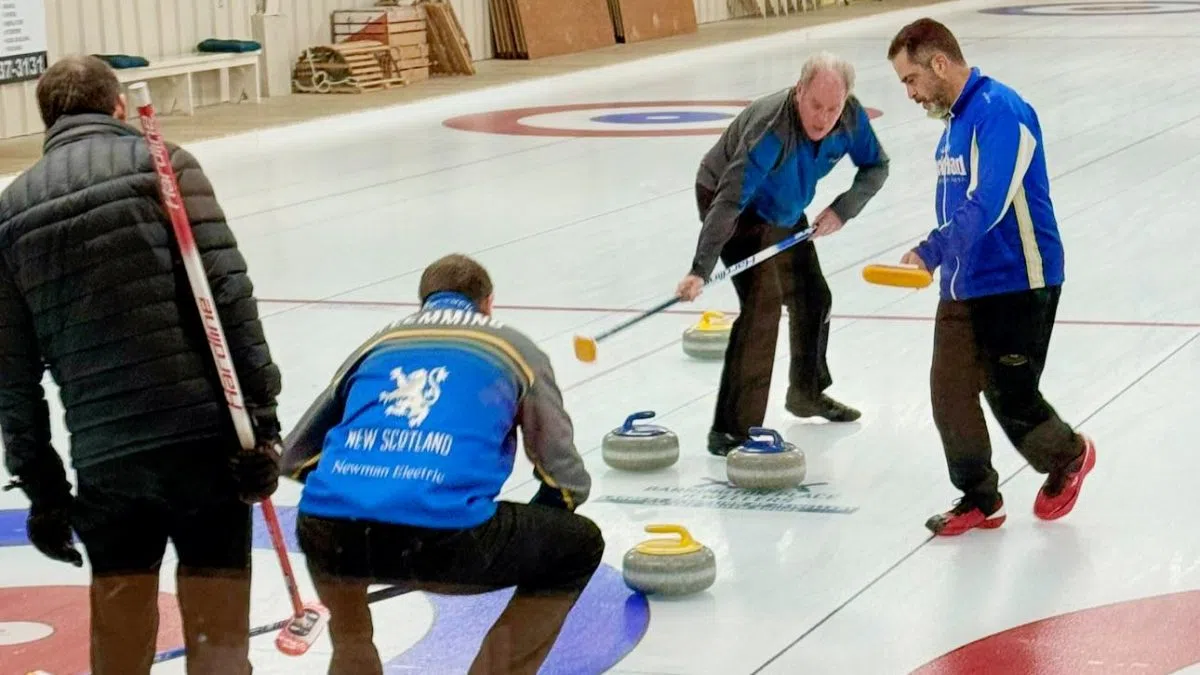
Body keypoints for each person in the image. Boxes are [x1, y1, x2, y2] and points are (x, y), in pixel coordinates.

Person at [0, 55, 283, 673]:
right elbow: (228, 296)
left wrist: (44, 490)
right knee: (218, 632)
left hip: (108, 460)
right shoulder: (165, 166)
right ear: (119, 107)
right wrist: (263, 426)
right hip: (204, 446)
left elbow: (12, 376)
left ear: (46, 118)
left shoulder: (11, 211)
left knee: (120, 635)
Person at [281, 253, 604, 675]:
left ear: (423, 302)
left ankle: (352, 651)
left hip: (328, 531)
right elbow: (565, 477)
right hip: (445, 538)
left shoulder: (378, 344)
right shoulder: (516, 349)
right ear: (488, 303)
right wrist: (546, 515)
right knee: (578, 546)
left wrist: (369, 491)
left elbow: (294, 455)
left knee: (351, 629)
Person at [886, 18, 1096, 536]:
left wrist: (932, 250)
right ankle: (980, 497)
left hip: (1019, 280)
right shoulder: (953, 123)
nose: (910, 93)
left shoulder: (1001, 110)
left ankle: (1068, 456)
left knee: (1010, 395)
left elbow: (990, 202)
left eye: (911, 79)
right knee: (949, 393)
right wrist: (944, 263)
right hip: (963, 284)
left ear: (939, 63)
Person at [675, 51, 890, 456]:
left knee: (814, 296)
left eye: (832, 108)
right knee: (763, 305)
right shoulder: (770, 131)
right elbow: (729, 202)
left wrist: (843, 209)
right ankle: (730, 430)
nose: (823, 118)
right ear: (798, 92)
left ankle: (807, 393)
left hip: (785, 203)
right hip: (733, 204)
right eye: (815, 105)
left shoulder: (850, 118)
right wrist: (700, 269)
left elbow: (877, 166)